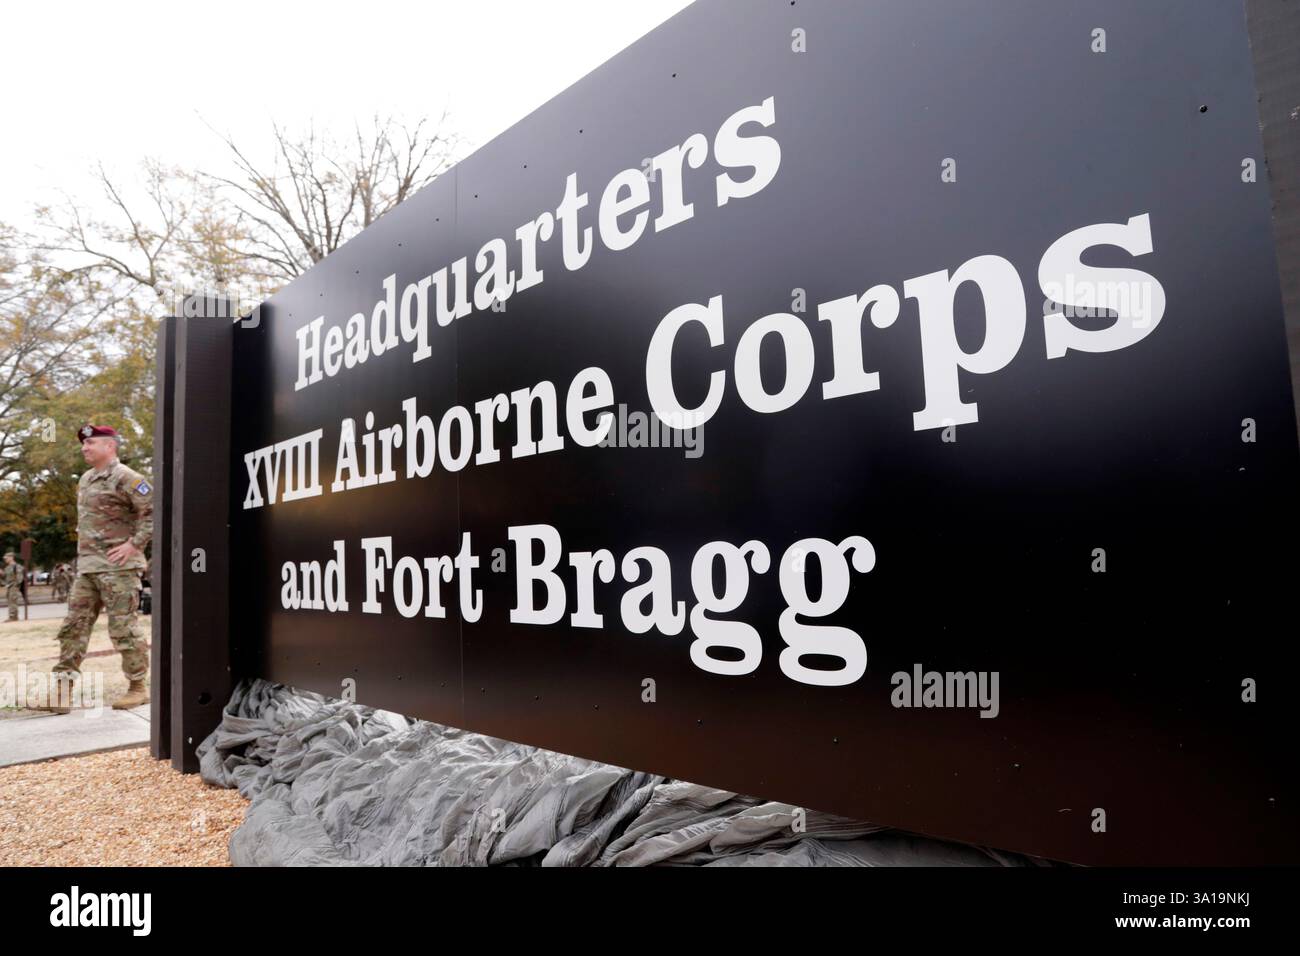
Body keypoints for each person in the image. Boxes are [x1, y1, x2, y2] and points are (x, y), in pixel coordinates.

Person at [37, 424, 153, 713]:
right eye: (83, 444)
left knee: (123, 629)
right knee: (73, 628)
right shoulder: (86, 479)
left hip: (119, 569)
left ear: (109, 446)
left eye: (90, 443)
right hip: (87, 568)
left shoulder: (128, 477)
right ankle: (62, 693)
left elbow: (154, 510)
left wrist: (134, 545)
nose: (84, 448)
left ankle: (138, 687)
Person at [2, 551, 23, 622]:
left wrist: (16, 585)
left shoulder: (16, 566)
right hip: (9, 586)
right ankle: (14, 617)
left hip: (13, 586)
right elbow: (5, 577)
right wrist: (1, 573)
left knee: (13, 601)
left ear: (11, 558)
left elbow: (20, 578)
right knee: (10, 601)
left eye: (6, 558)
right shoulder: (7, 567)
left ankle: (13, 617)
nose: (5, 559)